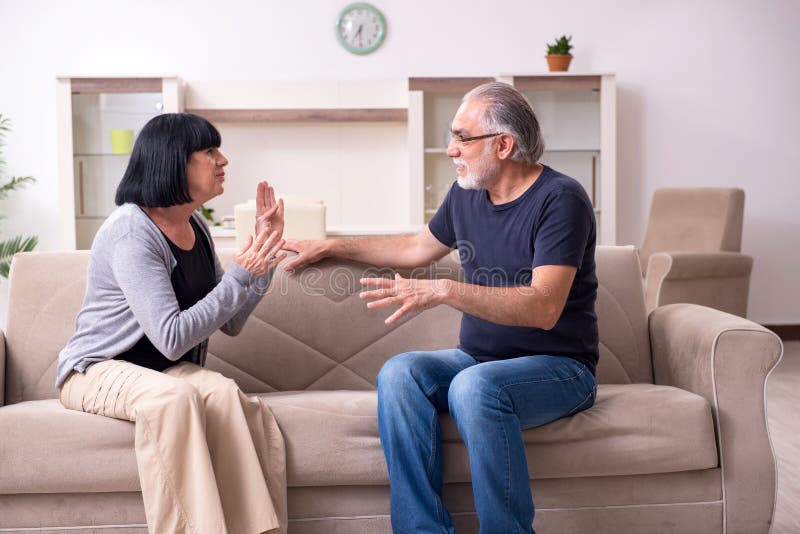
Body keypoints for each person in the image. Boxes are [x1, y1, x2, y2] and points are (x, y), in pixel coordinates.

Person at [283, 82, 598, 534]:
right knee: (400, 373)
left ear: (503, 144)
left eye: (462, 137)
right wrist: (332, 246)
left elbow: (544, 307)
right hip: (479, 359)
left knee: (474, 388)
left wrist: (445, 291)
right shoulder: (466, 193)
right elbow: (416, 246)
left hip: (562, 368)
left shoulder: (560, 199)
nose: (452, 150)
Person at [56, 113, 288, 534]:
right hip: (95, 368)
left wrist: (263, 259)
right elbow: (172, 338)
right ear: (174, 162)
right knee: (174, 398)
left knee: (223, 393)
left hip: (158, 370)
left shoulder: (194, 226)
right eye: (209, 151)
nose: (223, 160)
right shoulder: (132, 232)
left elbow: (231, 321)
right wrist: (240, 273)